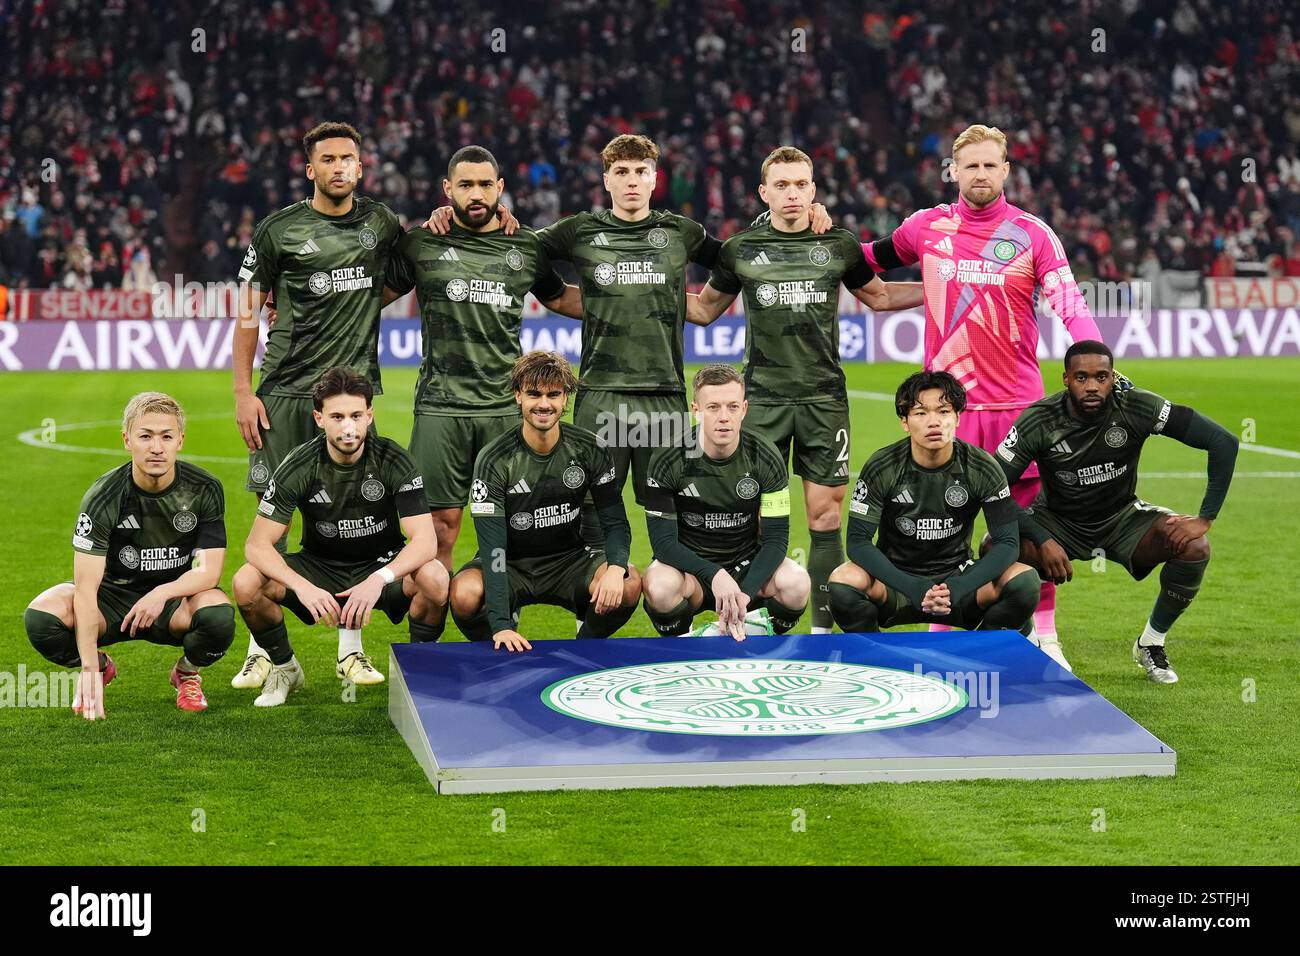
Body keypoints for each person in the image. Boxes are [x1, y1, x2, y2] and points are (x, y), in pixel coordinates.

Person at [862, 124, 1105, 664]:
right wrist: (814, 238)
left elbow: (1071, 306)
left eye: (989, 165)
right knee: (942, 530)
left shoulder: (1032, 233)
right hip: (947, 411)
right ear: (953, 171)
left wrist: (1097, 364)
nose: (979, 174)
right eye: (969, 165)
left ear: (1006, 171)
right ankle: (943, 629)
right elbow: (866, 261)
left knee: (1025, 531)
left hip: (1019, 409)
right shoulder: (925, 228)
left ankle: (1045, 634)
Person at [688, 145, 923, 633]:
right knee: (748, 515)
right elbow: (705, 309)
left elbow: (878, 296)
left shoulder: (838, 244)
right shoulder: (741, 249)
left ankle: (820, 629)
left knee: (824, 515)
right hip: (763, 400)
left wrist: (940, 287)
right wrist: (639, 287)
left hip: (823, 400)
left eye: (800, 185)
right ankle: (747, 619)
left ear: (813, 190)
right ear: (763, 192)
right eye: (781, 185)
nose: (792, 193)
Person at [232, 121, 404, 680]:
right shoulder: (278, 229)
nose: (337, 167)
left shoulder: (380, 223)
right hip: (283, 390)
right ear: (310, 169)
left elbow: (402, 273)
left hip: (350, 397)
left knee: (355, 517)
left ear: (361, 166)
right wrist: (241, 390)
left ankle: (348, 650)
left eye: (347, 158)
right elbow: (246, 311)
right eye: (326, 159)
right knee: (272, 519)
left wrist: (357, 301)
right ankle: (266, 653)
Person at [385, 145, 582, 602]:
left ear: (500, 189)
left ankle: (502, 626)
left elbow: (560, 299)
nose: (476, 194)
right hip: (441, 407)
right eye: (466, 184)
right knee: (439, 530)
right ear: (447, 189)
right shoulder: (422, 242)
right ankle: (425, 647)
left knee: (516, 525)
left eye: (485, 184)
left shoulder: (524, 245)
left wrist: (629, 300)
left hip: (503, 408)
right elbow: (370, 297)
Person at [993, 341, 1238, 682]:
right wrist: (1042, 538)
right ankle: (1030, 642)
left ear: (1113, 377)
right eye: (1081, 377)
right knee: (995, 547)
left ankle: (1151, 643)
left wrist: (1205, 518)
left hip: (1122, 518)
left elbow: (1223, 441)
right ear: (1065, 379)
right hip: (1057, 521)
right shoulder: (1039, 419)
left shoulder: (1136, 407)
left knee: (1195, 547)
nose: (1092, 386)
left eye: (1101, 377)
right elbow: (993, 492)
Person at [231, 367, 448, 706]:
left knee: (435, 577)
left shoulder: (394, 461)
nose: (348, 427)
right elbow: (256, 545)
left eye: (356, 415)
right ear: (319, 418)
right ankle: (285, 667)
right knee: (246, 583)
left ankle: (418, 671)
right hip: (320, 567)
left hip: (380, 564)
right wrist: (302, 586)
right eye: (337, 416)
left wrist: (380, 578)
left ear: (369, 415)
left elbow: (425, 540)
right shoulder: (299, 465)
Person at [24, 392, 235, 717]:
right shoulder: (103, 495)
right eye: (145, 436)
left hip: (174, 601)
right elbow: (85, 588)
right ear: (127, 440)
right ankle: (104, 668)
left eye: (166, 436)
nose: (156, 447)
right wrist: (90, 668)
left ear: (180, 439)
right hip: (112, 600)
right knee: (41, 619)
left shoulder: (204, 488)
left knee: (218, 616)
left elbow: (209, 572)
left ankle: (187, 673)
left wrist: (162, 593)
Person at [449, 351, 640, 652]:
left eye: (553, 394)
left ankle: (584, 647)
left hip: (570, 562)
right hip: (511, 564)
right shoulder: (494, 460)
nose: (544, 404)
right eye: (534, 394)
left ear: (565, 399)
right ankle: (502, 645)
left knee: (629, 583)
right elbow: (493, 548)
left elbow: (615, 521)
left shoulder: (590, 448)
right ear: (518, 396)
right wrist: (499, 624)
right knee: (464, 594)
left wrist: (615, 568)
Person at [827, 371, 1040, 637]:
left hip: (958, 579)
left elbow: (1008, 543)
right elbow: (858, 543)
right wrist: (913, 587)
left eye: (943, 411)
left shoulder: (982, 466)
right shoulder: (882, 466)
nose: (934, 422)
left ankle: (984, 654)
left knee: (1024, 581)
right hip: (895, 582)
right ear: (904, 422)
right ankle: (876, 659)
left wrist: (958, 587)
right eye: (920, 413)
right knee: (843, 580)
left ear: (958, 417)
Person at [641, 364, 810, 641]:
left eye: (732, 407)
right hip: (692, 573)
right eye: (713, 407)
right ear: (696, 410)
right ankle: (682, 647)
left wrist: (745, 592)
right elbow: (663, 545)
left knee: (796, 582)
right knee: (659, 586)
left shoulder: (765, 456)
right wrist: (715, 574)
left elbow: (776, 540)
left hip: (747, 568)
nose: (724, 417)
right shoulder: (668, 459)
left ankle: (763, 641)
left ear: (744, 409)